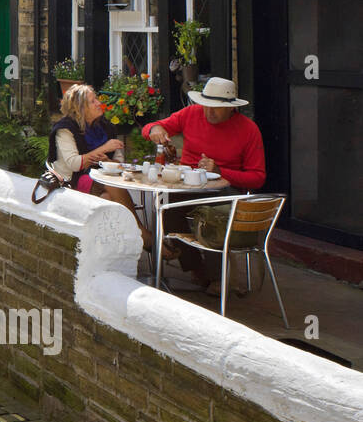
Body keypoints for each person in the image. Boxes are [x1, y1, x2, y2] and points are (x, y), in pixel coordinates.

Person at [143, 76, 267, 291]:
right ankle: (195, 268)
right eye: (206, 105)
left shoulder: (248, 129)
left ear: (231, 108)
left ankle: (216, 278)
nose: (209, 112)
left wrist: (221, 171)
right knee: (168, 208)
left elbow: (257, 177)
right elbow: (153, 127)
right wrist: (155, 129)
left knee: (212, 214)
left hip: (226, 189)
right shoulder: (192, 114)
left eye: (216, 108)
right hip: (189, 184)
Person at [48, 84, 149, 247]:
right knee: (109, 182)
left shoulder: (105, 126)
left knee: (107, 200)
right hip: (72, 182)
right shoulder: (65, 129)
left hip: (100, 183)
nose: (98, 103)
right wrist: (104, 148)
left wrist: (110, 163)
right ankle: (142, 234)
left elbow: (119, 159)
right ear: (80, 108)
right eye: (92, 101)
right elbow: (74, 164)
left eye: (96, 99)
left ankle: (112, 252)